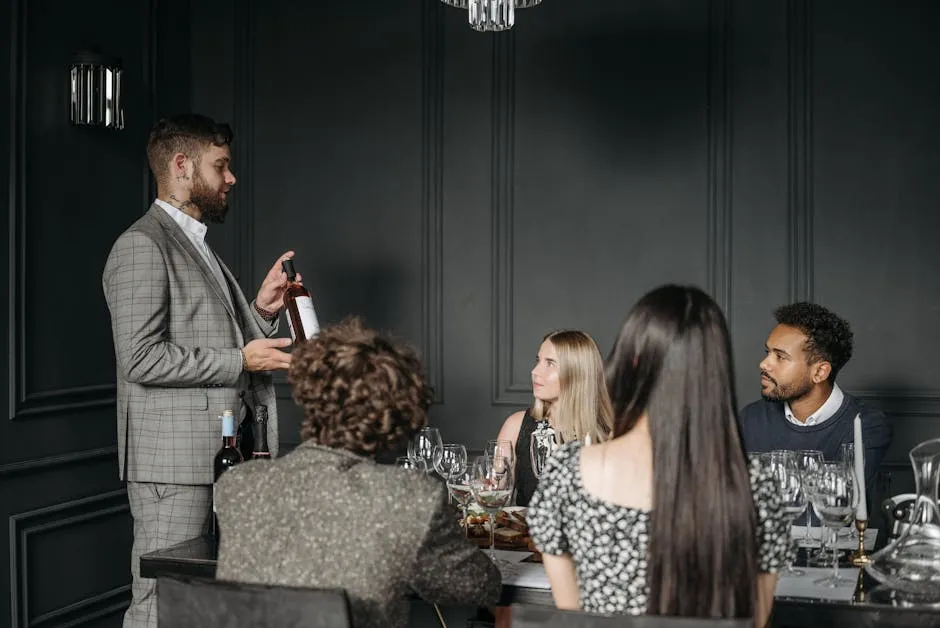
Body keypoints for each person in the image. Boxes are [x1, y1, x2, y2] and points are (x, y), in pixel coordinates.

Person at [102, 114, 298, 628]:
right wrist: (240, 359)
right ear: (182, 165)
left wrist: (261, 307)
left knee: (206, 603)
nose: (231, 178)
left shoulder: (195, 242)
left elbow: (211, 339)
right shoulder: (141, 246)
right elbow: (141, 357)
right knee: (160, 601)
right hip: (171, 467)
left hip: (216, 458)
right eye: (221, 166)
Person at [214, 318, 501, 628]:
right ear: (398, 414)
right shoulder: (408, 496)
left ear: (310, 396)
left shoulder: (239, 483)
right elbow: (480, 586)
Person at [528, 285, 789, 626]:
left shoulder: (567, 473)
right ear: (715, 373)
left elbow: (575, 618)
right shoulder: (756, 486)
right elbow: (756, 619)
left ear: (632, 360)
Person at [738, 302, 892, 487]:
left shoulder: (867, 425)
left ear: (820, 373)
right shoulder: (751, 418)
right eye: (768, 352)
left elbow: (841, 503)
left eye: (780, 357)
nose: (764, 364)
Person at [495, 329, 614, 506]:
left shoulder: (611, 434)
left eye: (550, 363)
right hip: (527, 534)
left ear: (577, 373)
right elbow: (494, 498)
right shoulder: (516, 425)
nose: (534, 371)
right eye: (538, 360)